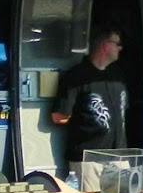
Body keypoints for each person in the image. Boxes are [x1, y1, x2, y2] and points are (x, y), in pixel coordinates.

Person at [51, 25, 129, 175]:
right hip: (88, 160)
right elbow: (58, 116)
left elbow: (123, 111)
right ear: (105, 46)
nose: (120, 48)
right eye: (118, 44)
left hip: (119, 157)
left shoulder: (118, 77)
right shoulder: (76, 76)